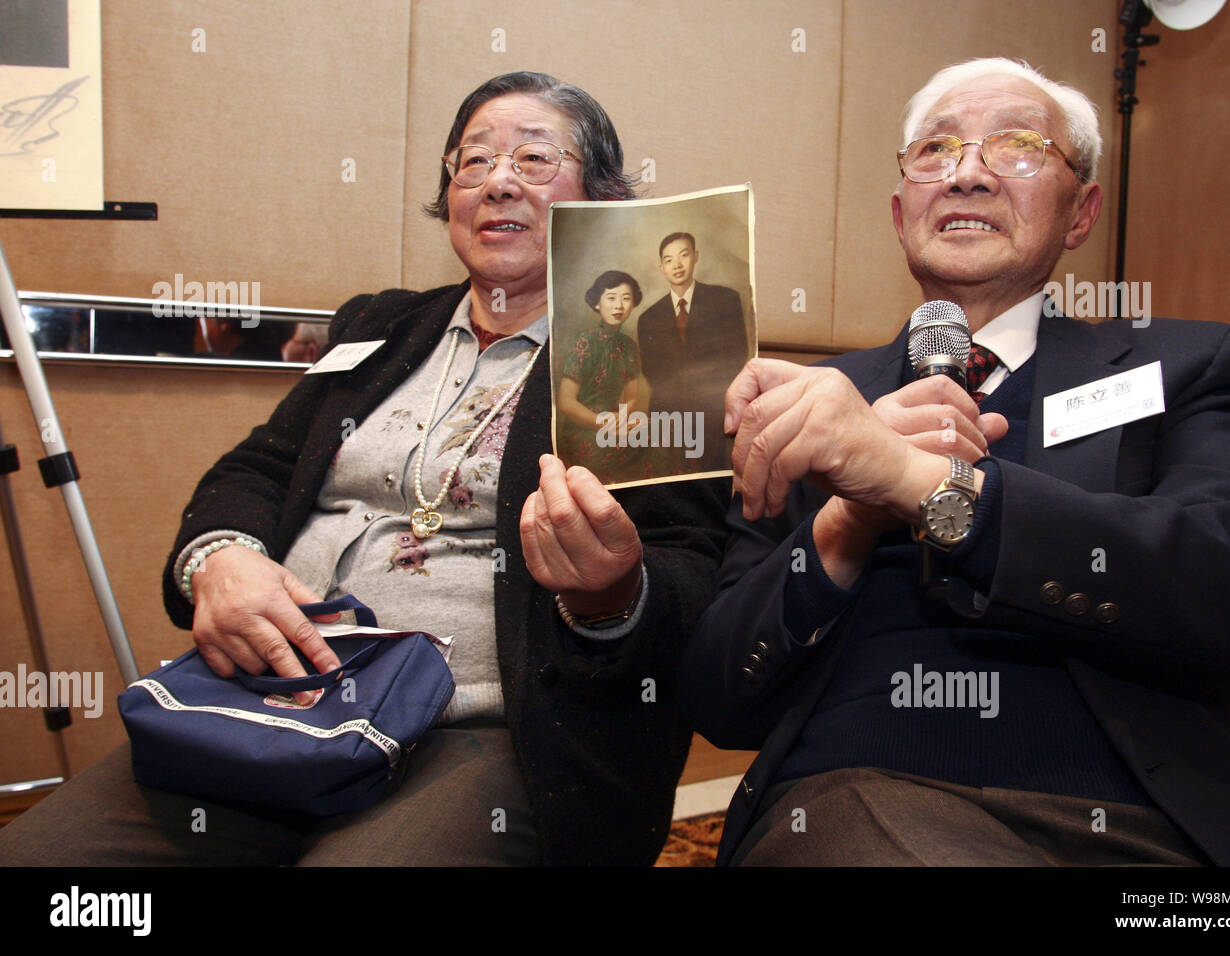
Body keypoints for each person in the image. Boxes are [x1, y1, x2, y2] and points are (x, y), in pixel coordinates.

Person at [0, 71, 729, 867]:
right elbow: (259, 469)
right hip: (278, 698)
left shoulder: (651, 355)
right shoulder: (379, 325)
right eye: (473, 162)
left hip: (483, 729)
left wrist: (611, 593)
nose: (498, 183)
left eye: (534, 159)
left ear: (600, 199)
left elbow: (691, 568)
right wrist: (221, 560)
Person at [681, 58, 1230, 866]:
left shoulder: (1184, 365)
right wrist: (847, 518)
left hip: (1140, 830)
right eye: (937, 150)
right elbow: (720, 696)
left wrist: (928, 487)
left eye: (1016, 147)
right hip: (856, 809)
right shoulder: (818, 407)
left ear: (1082, 213)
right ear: (903, 211)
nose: (968, 174)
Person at [638, 232, 750, 473]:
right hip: (668, 411)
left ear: (696, 257)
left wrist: (708, 397)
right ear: (661, 267)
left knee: (712, 476)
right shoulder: (648, 318)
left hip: (715, 406)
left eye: (683, 255)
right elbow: (651, 371)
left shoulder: (725, 299)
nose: (676, 265)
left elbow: (737, 354)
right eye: (668, 260)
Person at [555, 269, 653, 485]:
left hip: (614, 423)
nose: (619, 305)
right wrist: (602, 423)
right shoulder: (586, 342)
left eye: (626, 298)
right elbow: (565, 402)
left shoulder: (629, 346)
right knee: (618, 449)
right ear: (597, 303)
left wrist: (621, 418)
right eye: (611, 298)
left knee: (658, 439)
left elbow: (631, 396)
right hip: (582, 428)